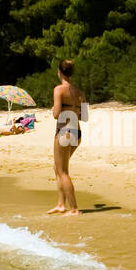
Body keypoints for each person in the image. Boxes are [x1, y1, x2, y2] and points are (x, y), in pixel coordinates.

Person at [48, 59, 85, 215]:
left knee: (62, 171)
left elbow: (56, 114)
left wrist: (54, 109)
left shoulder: (59, 90)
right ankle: (61, 204)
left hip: (64, 132)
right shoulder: (80, 92)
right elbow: (84, 116)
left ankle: (74, 208)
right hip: (77, 132)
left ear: (59, 72)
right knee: (59, 168)